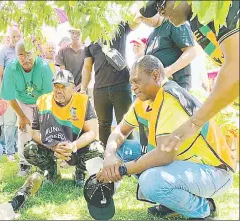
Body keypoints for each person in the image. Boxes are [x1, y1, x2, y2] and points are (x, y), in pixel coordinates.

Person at [95, 55, 235, 219]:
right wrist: (109, 156)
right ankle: (172, 202)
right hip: (184, 163)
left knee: (150, 182)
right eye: (131, 82)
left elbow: (164, 155)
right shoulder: (144, 101)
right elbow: (119, 132)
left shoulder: (169, 97)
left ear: (155, 76)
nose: (132, 87)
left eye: (137, 81)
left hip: (214, 171)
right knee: (122, 149)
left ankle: (204, 208)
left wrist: (121, 169)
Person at [143, 0, 239, 154]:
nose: (160, 13)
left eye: (161, 6)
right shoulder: (195, 22)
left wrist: (194, 123)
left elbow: (235, 68)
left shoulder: (216, 5)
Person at [24, 70, 104, 187]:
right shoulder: (42, 101)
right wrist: (53, 146)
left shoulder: (83, 101)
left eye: (63, 86)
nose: (59, 90)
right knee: (29, 150)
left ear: (72, 88)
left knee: (97, 149)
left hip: (76, 146)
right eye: (56, 86)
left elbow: (92, 132)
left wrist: (73, 146)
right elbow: (35, 131)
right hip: (51, 146)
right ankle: (51, 171)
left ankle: (80, 172)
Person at [80, 20, 140, 145]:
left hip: (121, 85)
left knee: (125, 123)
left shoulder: (118, 27)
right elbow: (87, 67)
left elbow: (136, 22)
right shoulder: (89, 40)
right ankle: (105, 157)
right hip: (100, 89)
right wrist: (83, 89)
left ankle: (127, 158)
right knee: (103, 125)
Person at [0, 39, 54, 176]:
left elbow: (49, 96)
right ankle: (24, 164)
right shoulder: (11, 69)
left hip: (41, 101)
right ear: (16, 55)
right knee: (24, 130)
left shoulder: (43, 67)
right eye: (21, 55)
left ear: (35, 53)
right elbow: (9, 96)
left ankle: (46, 162)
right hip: (22, 102)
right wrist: (22, 116)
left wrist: (42, 117)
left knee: (44, 129)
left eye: (28, 54)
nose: (25, 58)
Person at [138, 8, 197, 91]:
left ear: (157, 11)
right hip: (157, 90)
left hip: (176, 87)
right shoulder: (151, 36)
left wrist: (167, 71)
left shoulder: (173, 24)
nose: (144, 20)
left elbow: (191, 52)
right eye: (141, 19)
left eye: (145, 16)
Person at [0, 26, 22, 162]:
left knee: (23, 121)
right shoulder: (3, 52)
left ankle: (21, 149)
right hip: (9, 92)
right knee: (10, 123)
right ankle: (9, 151)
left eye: (18, 36)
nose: (16, 39)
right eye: (13, 37)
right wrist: (1, 95)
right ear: (9, 37)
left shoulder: (24, 50)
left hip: (23, 93)